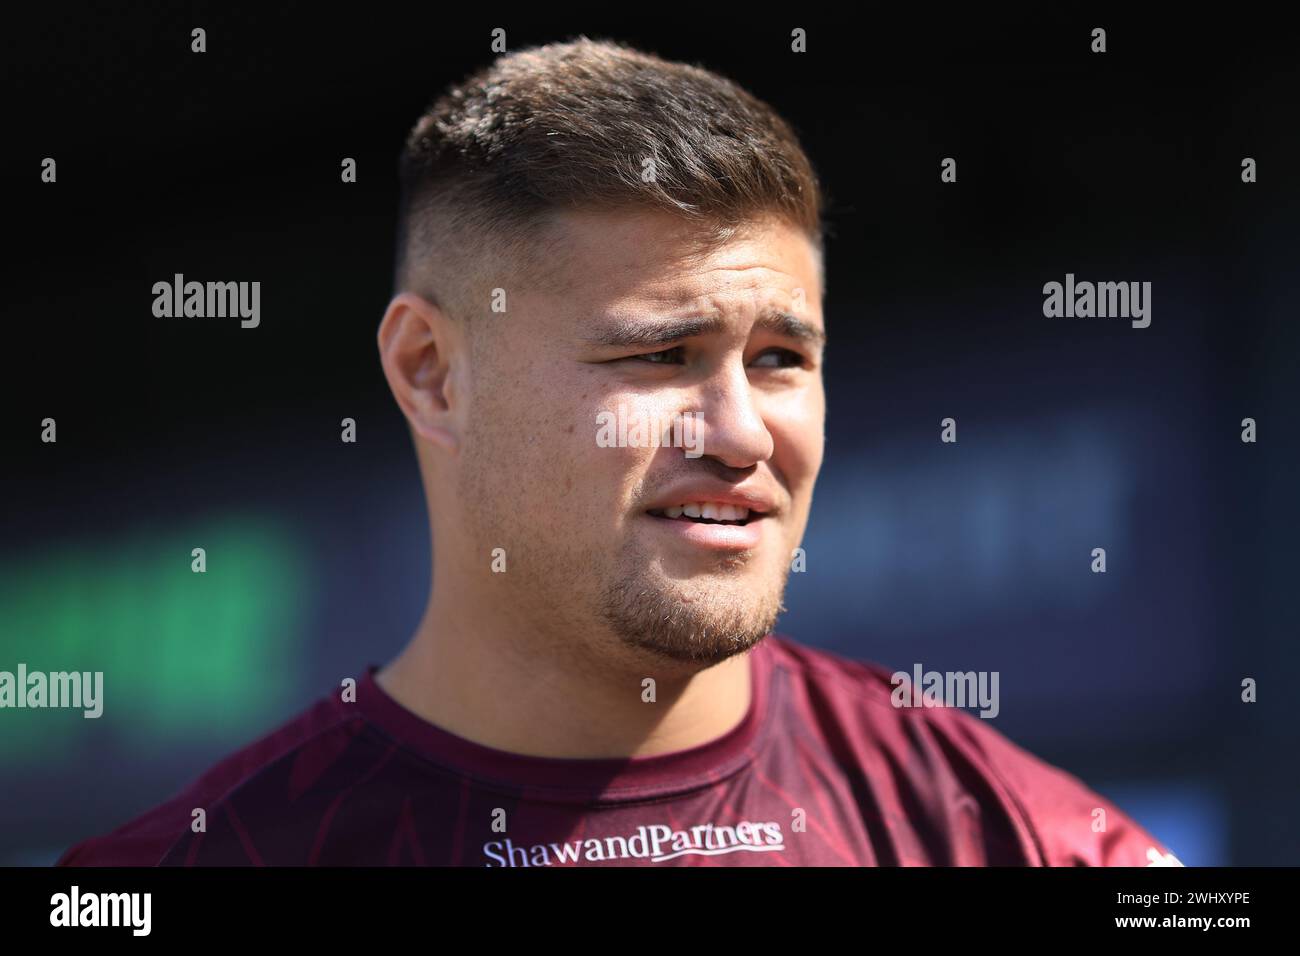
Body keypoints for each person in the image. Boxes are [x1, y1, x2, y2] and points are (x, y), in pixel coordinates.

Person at [57, 37, 1179, 867]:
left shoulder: (1019, 831)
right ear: (432, 374)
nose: (740, 433)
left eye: (782, 356)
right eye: (659, 356)